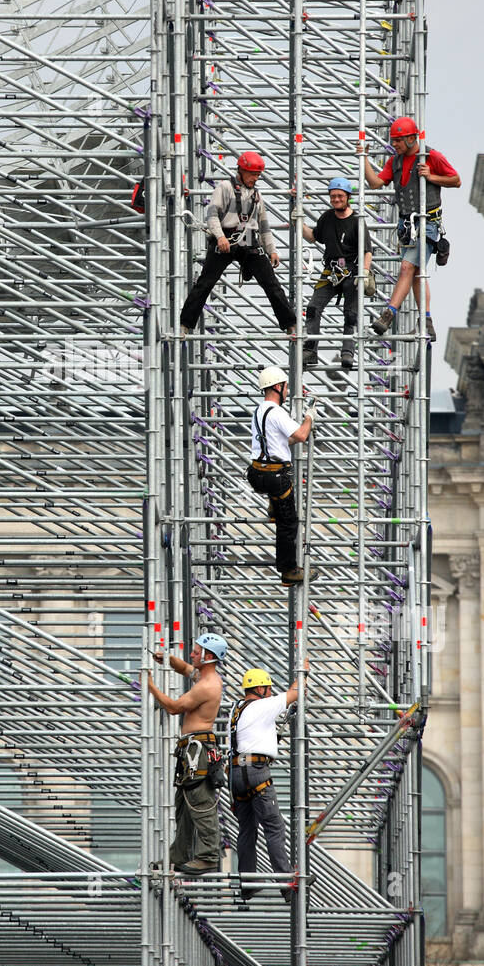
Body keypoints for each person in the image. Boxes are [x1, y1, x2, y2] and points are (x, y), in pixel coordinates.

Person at [358, 116, 460, 343]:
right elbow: (375, 183)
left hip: (428, 223)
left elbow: (456, 179)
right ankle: (427, 322)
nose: (394, 145)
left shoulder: (431, 156)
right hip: (407, 227)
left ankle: (388, 314)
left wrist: (430, 176)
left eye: (398, 141)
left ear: (412, 138)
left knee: (406, 268)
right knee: (415, 275)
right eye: (394, 141)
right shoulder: (394, 162)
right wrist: (363, 158)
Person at [179, 151, 295, 336]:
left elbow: (264, 226)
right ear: (241, 170)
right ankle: (185, 324)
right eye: (251, 174)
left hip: (248, 239)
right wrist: (220, 237)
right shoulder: (224, 188)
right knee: (206, 282)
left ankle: (291, 324)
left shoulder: (257, 196)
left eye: (257, 175)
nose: (254, 178)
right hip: (225, 237)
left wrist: (272, 250)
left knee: (271, 283)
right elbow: (212, 214)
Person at [146, 633, 227, 875]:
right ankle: (178, 854)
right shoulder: (205, 676)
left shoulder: (207, 686)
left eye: (196, 651)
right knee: (184, 805)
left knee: (199, 801)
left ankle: (209, 855)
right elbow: (187, 669)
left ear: (208, 656)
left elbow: (173, 707)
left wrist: (149, 685)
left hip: (198, 749)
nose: (191, 654)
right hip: (190, 749)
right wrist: (169, 659)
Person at [230, 661, 309, 901]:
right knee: (274, 826)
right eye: (269, 688)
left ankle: (247, 882)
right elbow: (297, 692)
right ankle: (286, 882)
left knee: (247, 829)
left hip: (236, 773)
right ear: (261, 689)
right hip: (256, 771)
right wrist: (303, 670)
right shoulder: (262, 705)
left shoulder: (237, 708)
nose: (272, 693)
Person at [247, 366, 319, 586]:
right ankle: (289, 571)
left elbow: (280, 441)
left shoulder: (260, 411)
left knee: (281, 509)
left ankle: (273, 506)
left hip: (257, 472)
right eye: (286, 387)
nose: (287, 391)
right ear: (278, 387)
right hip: (275, 476)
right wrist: (309, 417)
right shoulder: (277, 412)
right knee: (288, 523)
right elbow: (301, 435)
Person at [301, 176, 374, 373]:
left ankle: (347, 352)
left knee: (351, 315)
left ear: (348, 197)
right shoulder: (327, 217)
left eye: (340, 196)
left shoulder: (357, 222)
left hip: (351, 272)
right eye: (333, 196)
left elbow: (367, 251)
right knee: (313, 308)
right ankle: (310, 351)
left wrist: (364, 274)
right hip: (331, 272)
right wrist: (297, 221)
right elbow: (313, 237)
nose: (336, 199)